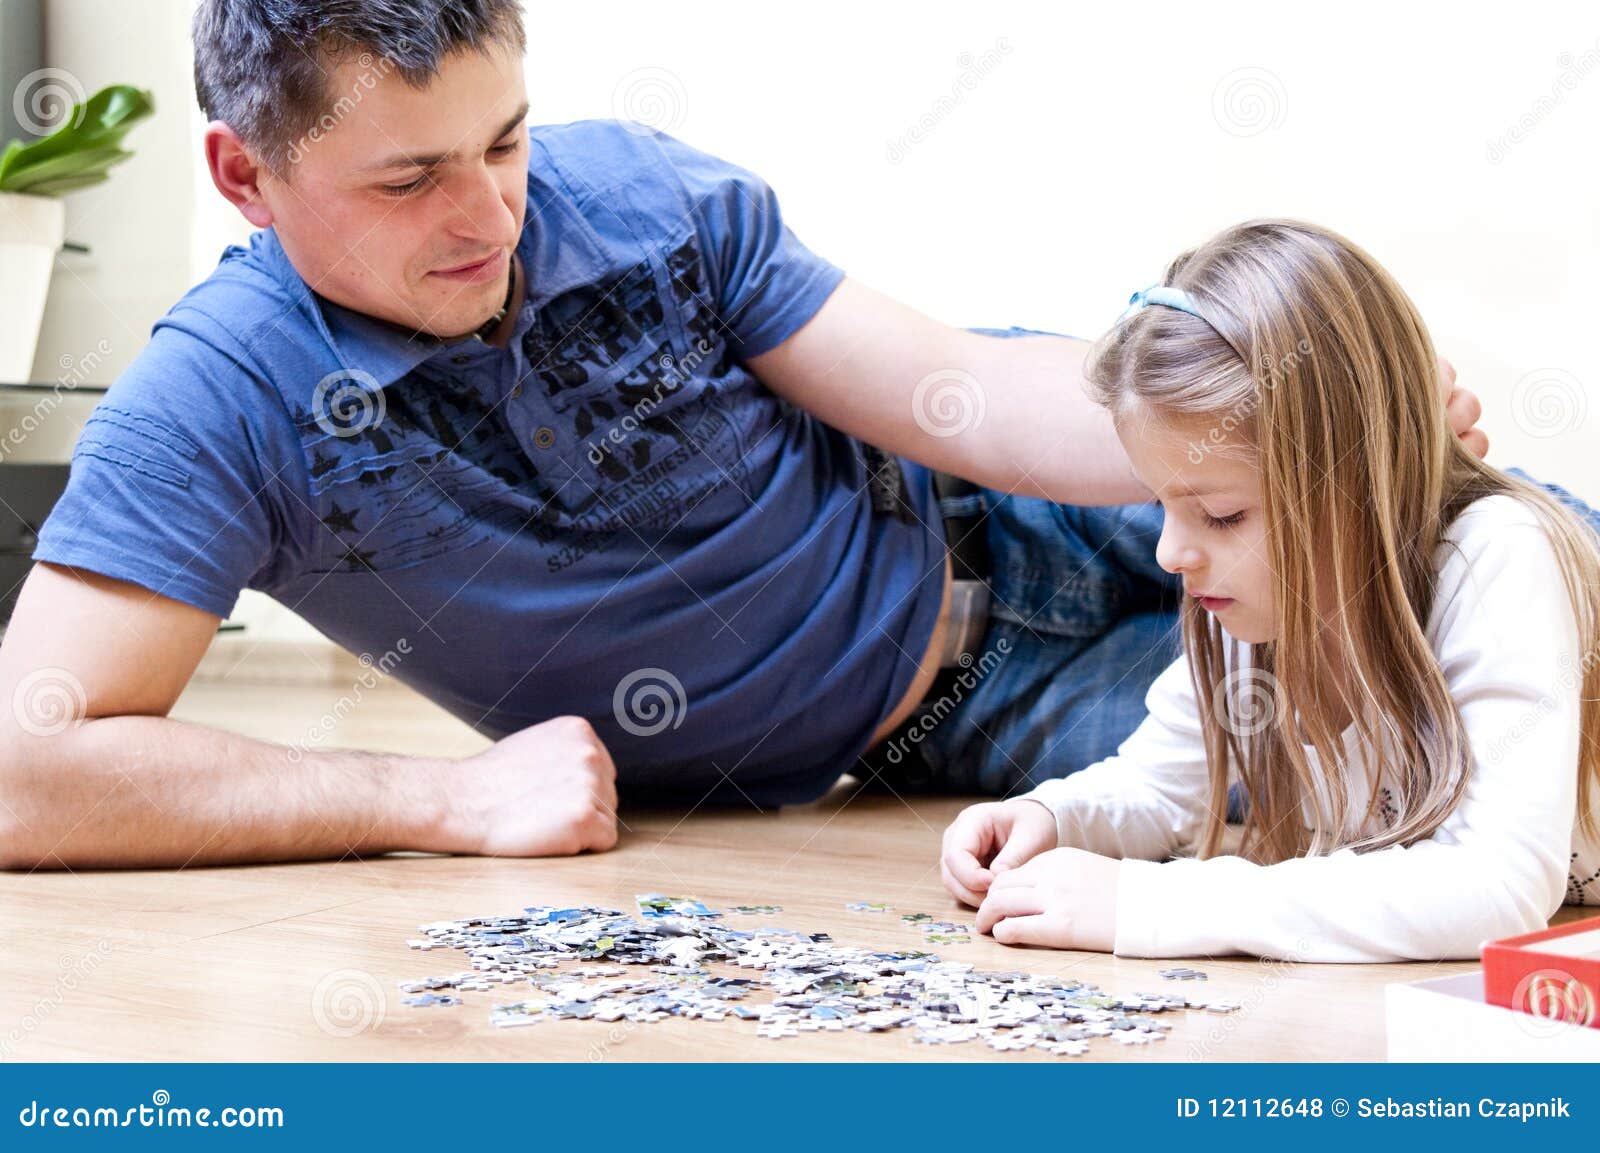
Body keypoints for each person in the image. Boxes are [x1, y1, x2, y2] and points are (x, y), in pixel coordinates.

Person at [0, 1, 1485, 871]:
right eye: (409, 182)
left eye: (506, 141)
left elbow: (961, 387)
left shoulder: (645, 194)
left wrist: (1300, 430)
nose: (491, 215)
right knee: (1449, 762)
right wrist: (441, 798)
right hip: (974, 717)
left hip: (1039, 514)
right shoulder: (211, 405)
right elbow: (24, 765)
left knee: (1520, 558)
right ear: (243, 176)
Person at [939, 220, 1600, 961]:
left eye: (1221, 514)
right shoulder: (1256, 604)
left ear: (1354, 483)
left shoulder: (1497, 555)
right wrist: (1052, 815)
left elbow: (1497, 889)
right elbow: (1159, 786)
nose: (1170, 552)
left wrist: (1152, 903)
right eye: (1163, 505)